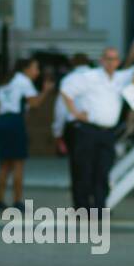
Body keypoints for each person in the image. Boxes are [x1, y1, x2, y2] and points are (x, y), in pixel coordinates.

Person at [59, 47, 134, 212]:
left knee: (103, 172)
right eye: (107, 58)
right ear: (101, 60)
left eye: (114, 59)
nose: (111, 62)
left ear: (118, 62)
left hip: (107, 133)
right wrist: (75, 113)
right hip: (88, 130)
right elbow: (66, 90)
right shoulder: (89, 77)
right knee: (84, 171)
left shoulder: (121, 77)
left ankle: (99, 209)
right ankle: (82, 209)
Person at [0, 58, 54, 211]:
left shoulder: (7, 81)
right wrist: (46, 91)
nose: (37, 72)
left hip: (2, 120)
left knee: (5, 164)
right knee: (18, 163)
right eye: (35, 68)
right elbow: (34, 103)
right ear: (26, 69)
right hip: (15, 122)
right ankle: (17, 200)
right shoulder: (24, 82)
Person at [53, 54, 93, 206]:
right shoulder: (97, 78)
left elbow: (61, 109)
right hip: (97, 126)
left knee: (77, 168)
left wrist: (57, 132)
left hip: (75, 127)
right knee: (96, 167)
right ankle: (98, 202)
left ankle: (80, 206)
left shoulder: (69, 79)